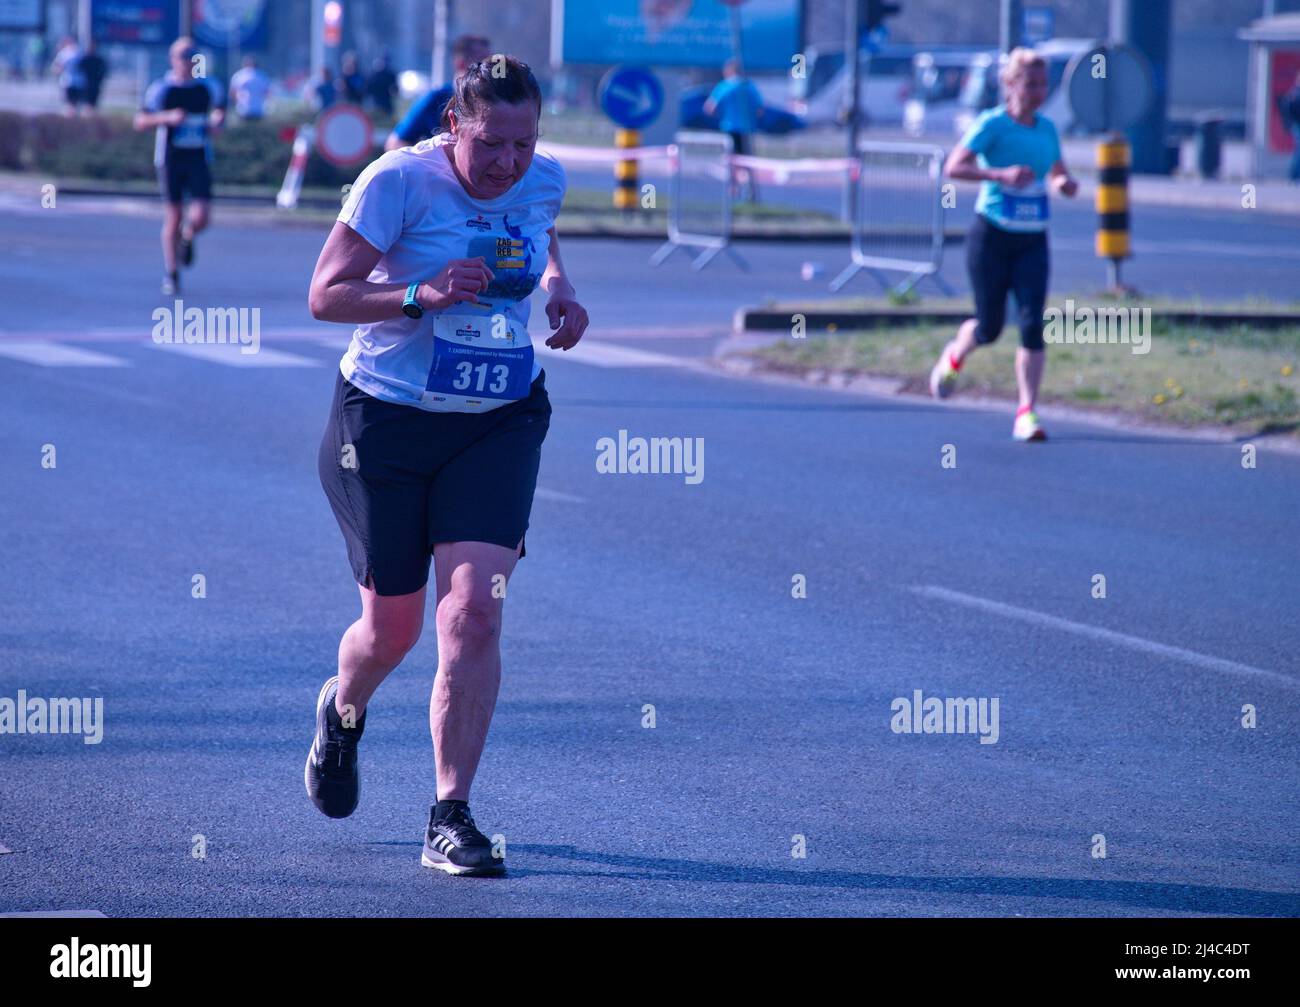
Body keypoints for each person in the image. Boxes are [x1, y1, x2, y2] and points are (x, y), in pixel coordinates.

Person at [306, 55, 589, 877]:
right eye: (492, 143)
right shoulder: (398, 182)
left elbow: (538, 230)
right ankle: (344, 707)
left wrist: (561, 285)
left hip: (497, 420)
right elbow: (325, 294)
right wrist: (417, 295)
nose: (508, 163)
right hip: (385, 422)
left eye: (524, 143)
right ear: (454, 126)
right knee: (391, 628)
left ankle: (450, 814)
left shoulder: (543, 179)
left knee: (473, 613)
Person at [928, 48, 1078, 442]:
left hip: (1033, 239)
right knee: (990, 327)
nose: (1037, 92)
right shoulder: (992, 124)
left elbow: (1058, 172)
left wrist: (1064, 184)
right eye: (1030, 84)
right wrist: (1000, 174)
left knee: (1032, 323)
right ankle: (955, 355)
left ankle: (1026, 411)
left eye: (1043, 84)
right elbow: (953, 166)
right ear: (1010, 85)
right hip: (991, 236)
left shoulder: (1046, 129)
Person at [134, 37, 226, 296]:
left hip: (198, 156)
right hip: (171, 158)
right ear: (173, 61)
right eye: (183, 58)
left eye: (192, 58)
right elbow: (140, 120)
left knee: (202, 216)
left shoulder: (208, 87)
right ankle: (172, 273)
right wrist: (166, 117)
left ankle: (188, 235)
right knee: (173, 215)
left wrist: (217, 122)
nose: (187, 64)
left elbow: (220, 113)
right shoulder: (162, 89)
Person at [385, 35, 489, 150]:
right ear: (460, 63)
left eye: (489, 63)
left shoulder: (493, 102)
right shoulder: (435, 99)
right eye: (480, 62)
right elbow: (395, 143)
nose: (487, 69)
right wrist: (432, 164)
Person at [704, 59, 764, 202]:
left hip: (729, 128)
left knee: (731, 161)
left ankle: (733, 191)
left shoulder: (724, 86)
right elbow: (760, 110)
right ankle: (752, 191)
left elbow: (709, 108)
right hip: (747, 130)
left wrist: (723, 114)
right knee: (748, 162)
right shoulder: (749, 87)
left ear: (729, 71)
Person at [229, 55, 271, 121]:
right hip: (258, 109)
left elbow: (232, 93)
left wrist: (238, 102)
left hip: (243, 109)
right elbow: (267, 93)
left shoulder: (238, 75)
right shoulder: (262, 76)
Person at [51, 36, 86, 116]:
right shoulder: (80, 51)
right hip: (78, 82)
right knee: (76, 105)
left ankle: (70, 121)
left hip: (68, 81)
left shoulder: (64, 53)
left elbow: (56, 68)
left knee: (69, 105)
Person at [1279, 70, 1300, 184]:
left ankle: (1295, 176)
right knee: (1299, 152)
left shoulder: (1294, 93)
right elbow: (1290, 110)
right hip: (1298, 124)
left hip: (1296, 124)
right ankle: (1294, 176)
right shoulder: (1296, 94)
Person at [80, 42, 108, 113]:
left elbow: (104, 71)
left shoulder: (99, 60)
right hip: (86, 85)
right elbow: (80, 70)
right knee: (86, 104)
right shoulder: (85, 59)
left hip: (95, 85)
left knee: (93, 104)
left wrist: (100, 79)